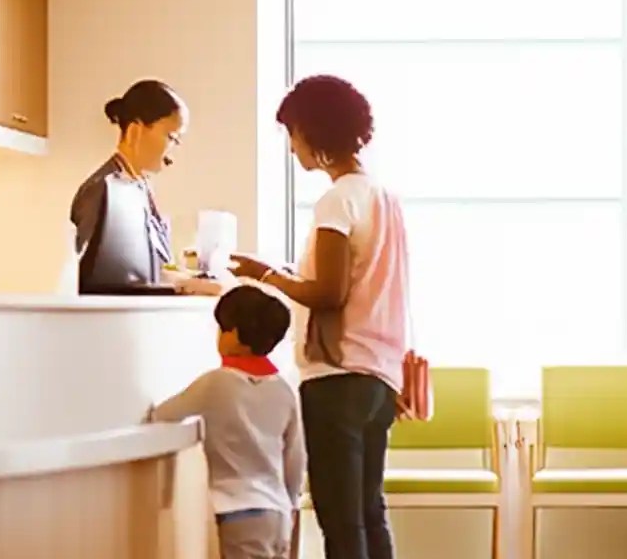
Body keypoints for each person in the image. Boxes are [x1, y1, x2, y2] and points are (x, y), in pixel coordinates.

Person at [230, 75, 409, 559]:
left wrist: (267, 275)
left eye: (293, 134)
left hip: (337, 378)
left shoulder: (336, 200)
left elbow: (328, 294)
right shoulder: (382, 196)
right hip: (378, 377)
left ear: (315, 131)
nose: (292, 148)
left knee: (340, 521)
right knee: (370, 512)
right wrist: (289, 275)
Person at [149, 284, 305, 559]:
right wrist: (291, 505)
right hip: (278, 512)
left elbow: (163, 414)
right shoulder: (283, 389)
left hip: (239, 511)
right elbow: (295, 457)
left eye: (221, 328)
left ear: (233, 335)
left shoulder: (216, 384)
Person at [70, 78, 188, 283]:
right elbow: (91, 275)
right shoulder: (103, 189)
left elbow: (147, 271)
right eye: (171, 138)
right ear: (135, 131)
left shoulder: (140, 187)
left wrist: (188, 281)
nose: (172, 153)